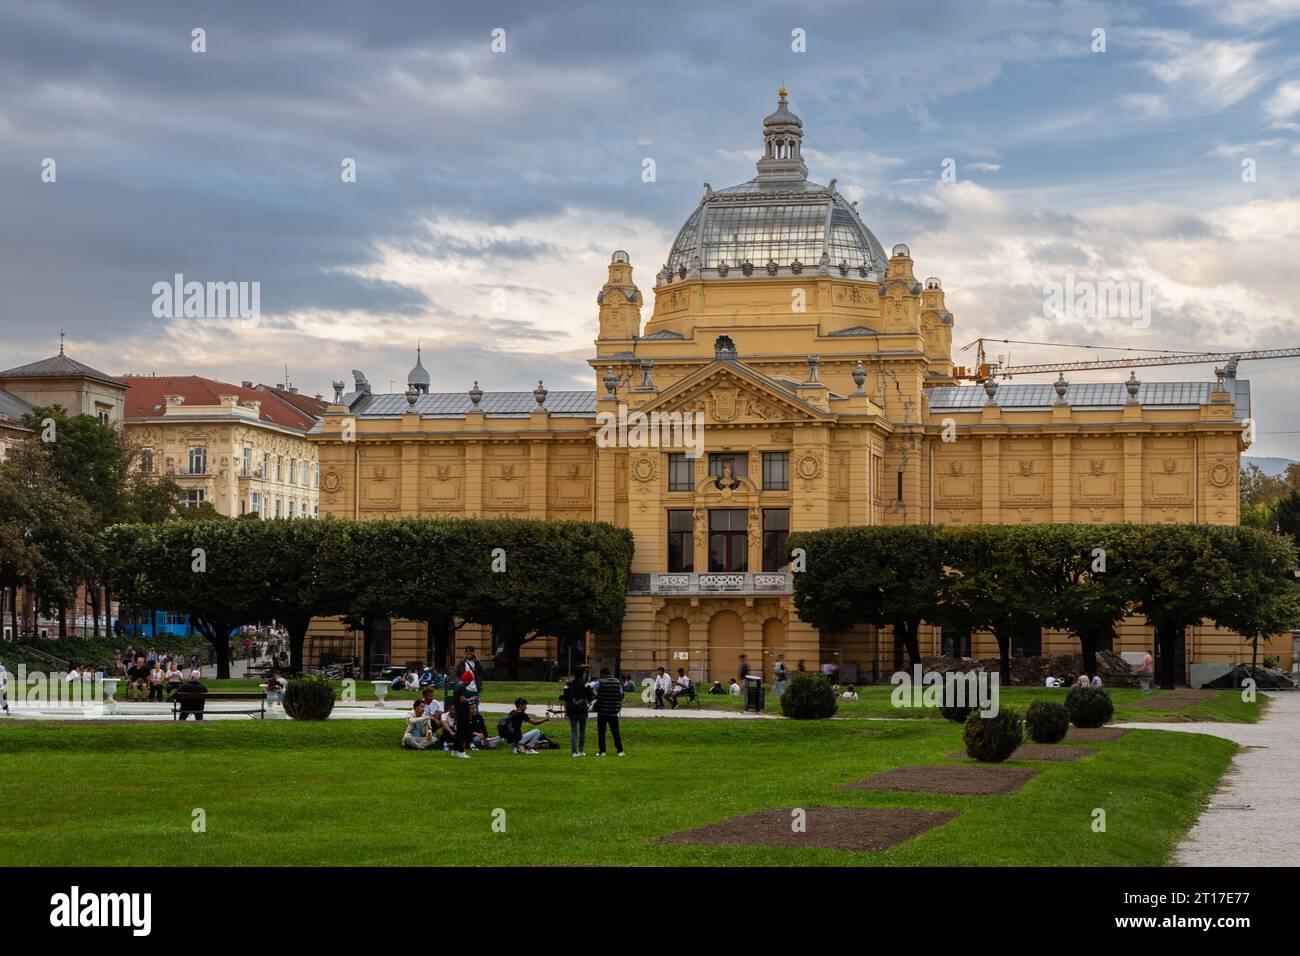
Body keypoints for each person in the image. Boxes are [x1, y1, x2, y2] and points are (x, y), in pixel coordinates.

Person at [590, 667, 625, 757]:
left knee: (601, 732)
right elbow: (621, 695)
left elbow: (590, 688)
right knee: (615, 732)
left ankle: (602, 751)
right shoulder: (617, 682)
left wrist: (596, 696)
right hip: (613, 711)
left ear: (602, 674)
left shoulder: (600, 682)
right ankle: (620, 751)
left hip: (602, 711)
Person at [562, 669, 594, 756]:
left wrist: (565, 712)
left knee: (573, 731)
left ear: (574, 674)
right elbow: (591, 697)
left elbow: (565, 699)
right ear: (583, 674)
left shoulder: (568, 684)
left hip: (572, 710)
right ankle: (581, 750)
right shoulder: (586, 684)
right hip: (582, 710)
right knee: (582, 731)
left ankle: (574, 752)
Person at [451, 670, 475, 758]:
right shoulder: (462, 687)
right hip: (463, 714)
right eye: (470, 681)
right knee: (462, 733)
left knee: (458, 733)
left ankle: (455, 750)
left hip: (459, 712)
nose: (470, 683)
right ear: (467, 680)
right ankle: (461, 752)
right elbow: (462, 700)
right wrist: (471, 699)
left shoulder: (457, 686)